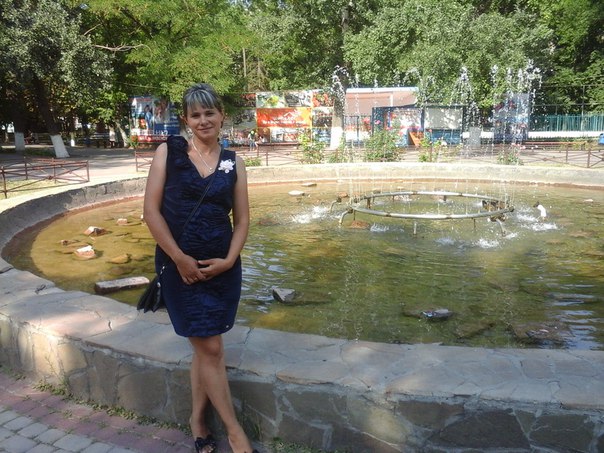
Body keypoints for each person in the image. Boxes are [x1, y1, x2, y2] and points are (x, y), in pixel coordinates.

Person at [143, 83, 258, 453]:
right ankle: (235, 433)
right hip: (179, 269)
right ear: (186, 119)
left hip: (223, 270)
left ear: (222, 115)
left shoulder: (234, 162)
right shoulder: (168, 152)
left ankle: (197, 420)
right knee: (210, 348)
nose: (203, 120)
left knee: (206, 348)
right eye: (196, 114)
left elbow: (242, 220)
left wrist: (229, 259)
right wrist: (179, 258)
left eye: (210, 112)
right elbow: (151, 213)